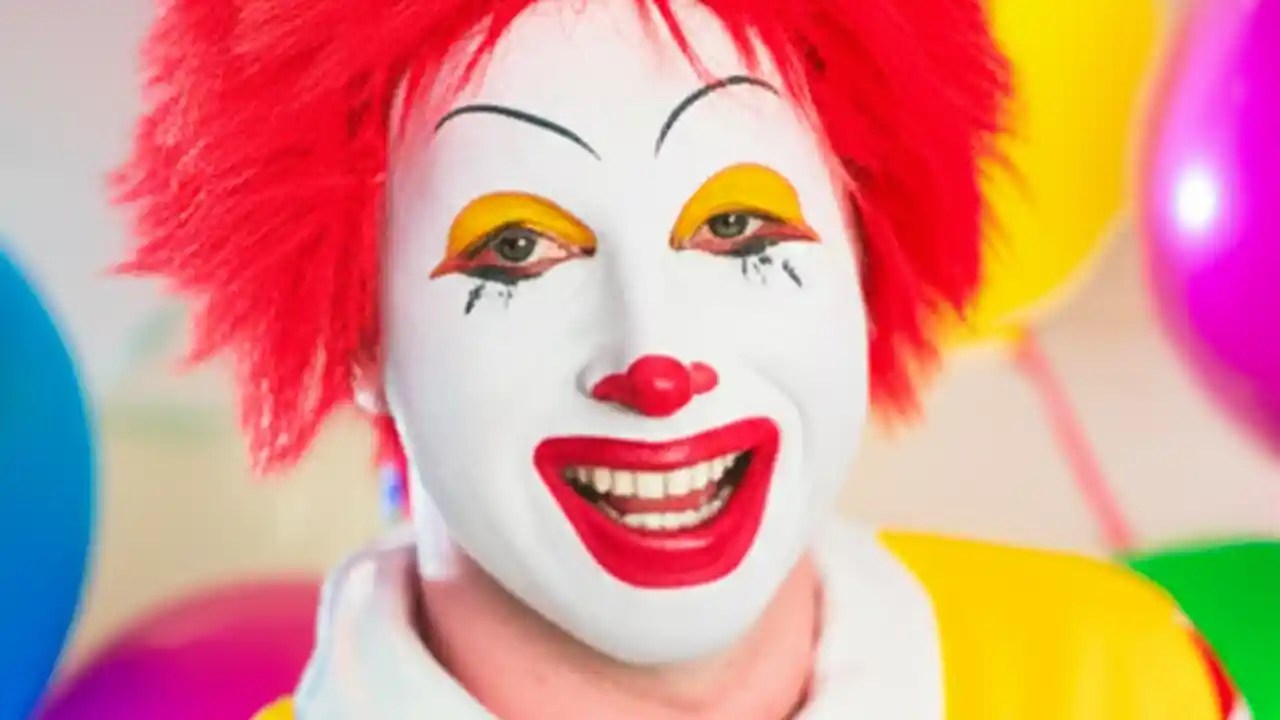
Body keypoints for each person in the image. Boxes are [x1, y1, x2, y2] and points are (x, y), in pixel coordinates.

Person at [115, 0, 1242, 717]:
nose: (653, 361)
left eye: (735, 228)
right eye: (516, 250)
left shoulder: (1127, 681)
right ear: (356, 328)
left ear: (859, 255)